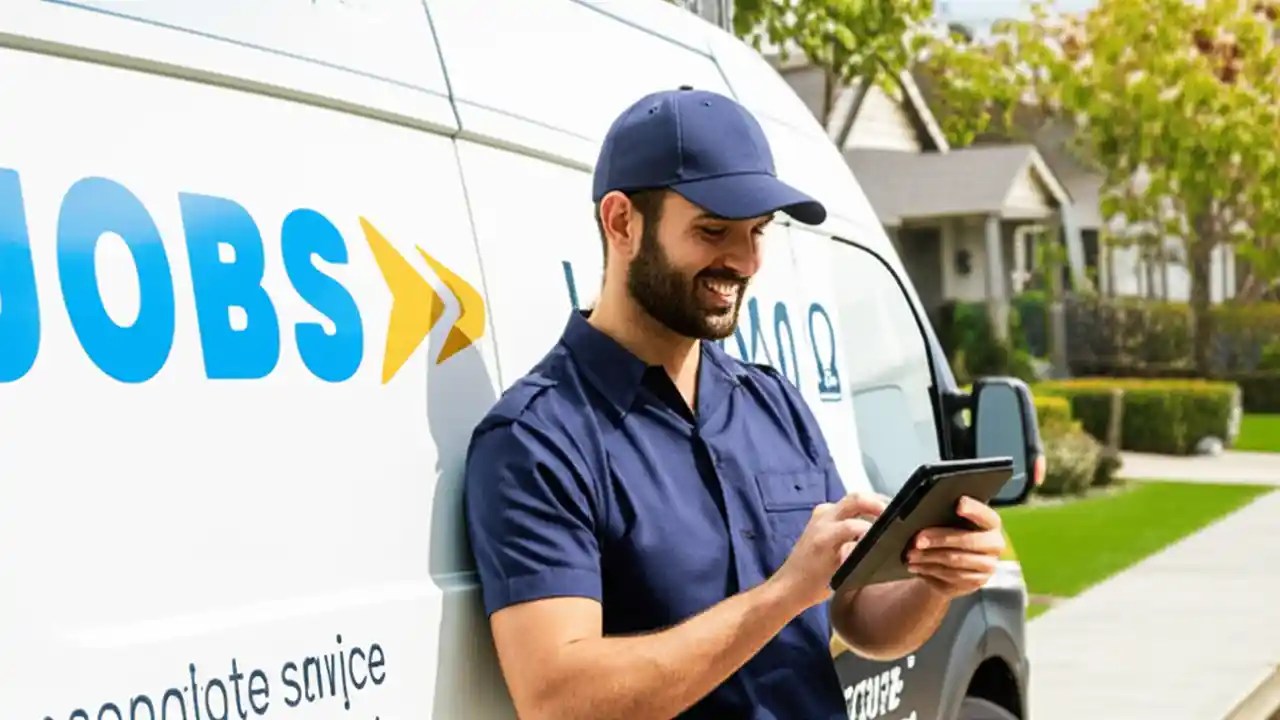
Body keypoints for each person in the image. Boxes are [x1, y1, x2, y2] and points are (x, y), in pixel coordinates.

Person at [462, 86, 1006, 720]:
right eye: (713, 230)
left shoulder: (772, 403)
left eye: (758, 232)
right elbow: (560, 700)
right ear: (620, 223)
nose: (745, 261)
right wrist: (781, 595)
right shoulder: (537, 438)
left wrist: (935, 579)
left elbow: (858, 619)